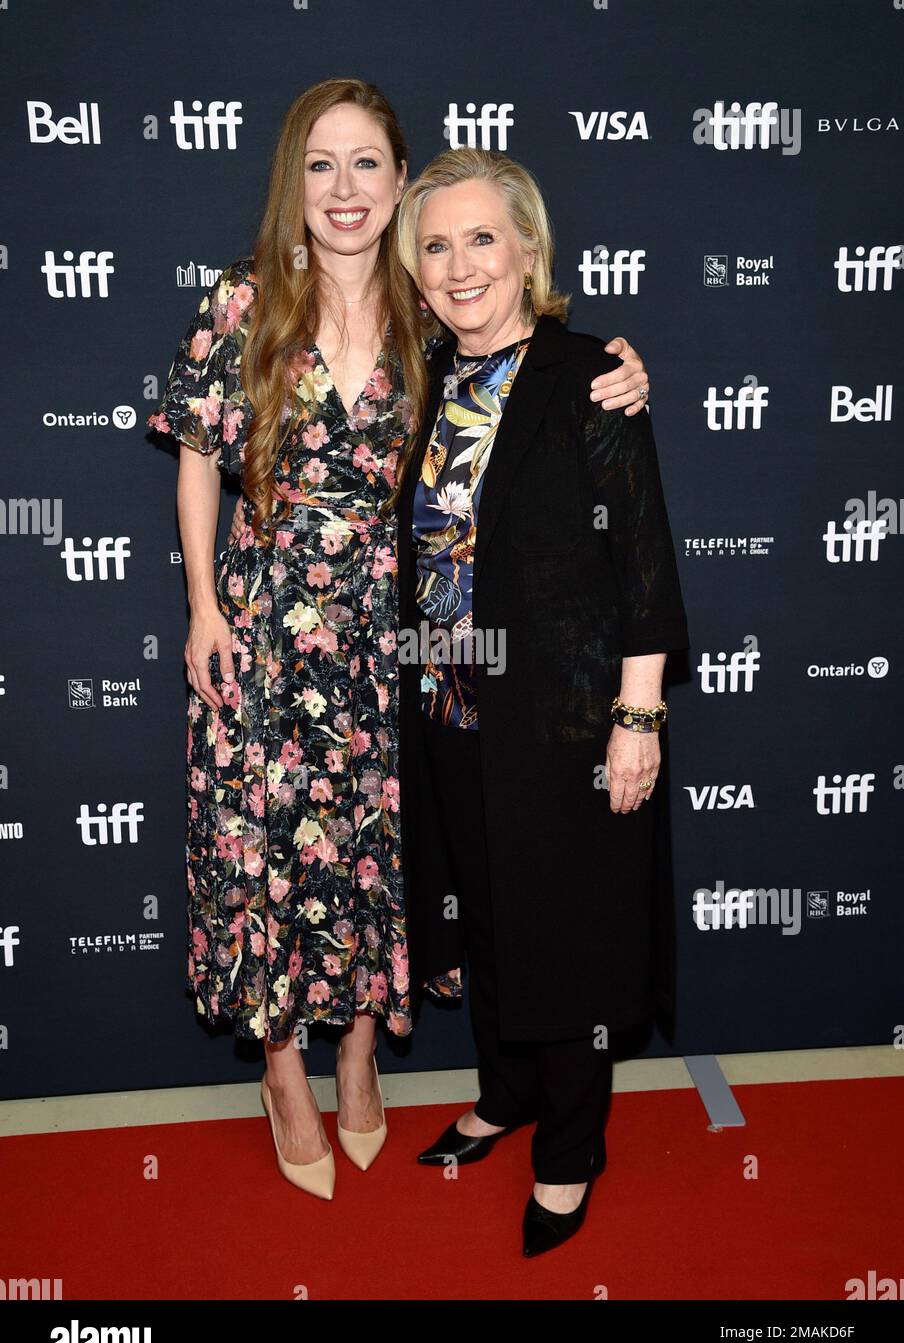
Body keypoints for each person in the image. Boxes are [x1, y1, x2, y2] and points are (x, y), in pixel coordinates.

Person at [148, 78, 652, 1200]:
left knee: (375, 849)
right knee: (267, 848)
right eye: (320, 164)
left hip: (398, 627)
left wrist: (613, 364)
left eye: (367, 163)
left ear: (396, 179)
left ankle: (362, 1057)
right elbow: (196, 455)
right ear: (294, 180)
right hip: (266, 617)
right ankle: (284, 1071)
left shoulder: (427, 298)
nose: (343, 188)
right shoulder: (243, 298)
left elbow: (517, 356)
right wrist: (201, 606)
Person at [394, 146, 689, 1255]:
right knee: (481, 915)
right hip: (447, 711)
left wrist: (638, 715)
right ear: (414, 270)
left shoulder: (588, 377)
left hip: (563, 719)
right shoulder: (425, 380)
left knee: (565, 937)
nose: (459, 263)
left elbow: (644, 562)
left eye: (482, 238)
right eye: (435, 243)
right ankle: (504, 1089)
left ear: (528, 251)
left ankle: (570, 1151)